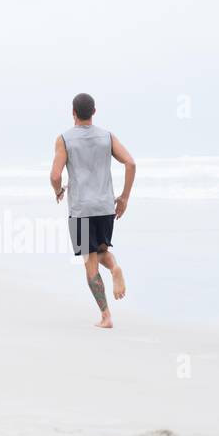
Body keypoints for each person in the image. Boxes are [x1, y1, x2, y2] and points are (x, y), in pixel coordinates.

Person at [49, 93, 135, 328]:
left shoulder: (65, 139)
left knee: (90, 262)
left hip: (82, 210)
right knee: (102, 251)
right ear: (94, 112)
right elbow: (131, 163)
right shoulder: (107, 136)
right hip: (105, 207)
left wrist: (58, 190)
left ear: (73, 113)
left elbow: (55, 175)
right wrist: (124, 198)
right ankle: (115, 267)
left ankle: (106, 316)